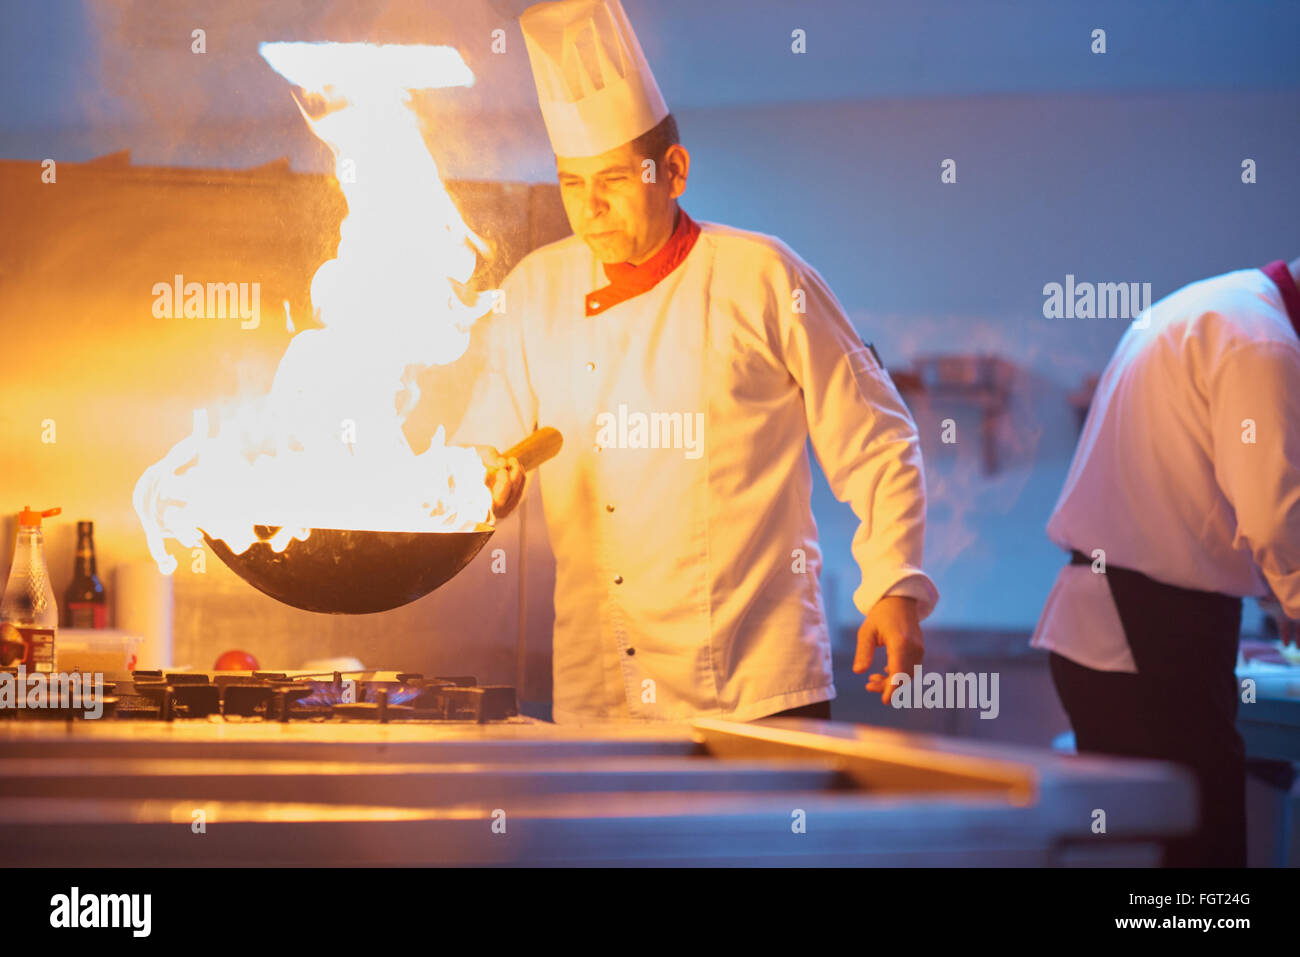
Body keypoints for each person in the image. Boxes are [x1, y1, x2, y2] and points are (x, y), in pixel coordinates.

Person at [456, 0, 937, 724]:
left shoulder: (766, 277)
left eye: (614, 180)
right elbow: (482, 448)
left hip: (755, 687)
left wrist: (893, 585)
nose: (590, 209)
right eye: (572, 182)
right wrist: (480, 483)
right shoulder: (534, 290)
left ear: (673, 170)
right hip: (596, 690)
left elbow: (877, 441)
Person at [1032, 256, 1300, 866]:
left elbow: (1208, 490)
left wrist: (1281, 593)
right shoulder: (1261, 340)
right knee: (1196, 867)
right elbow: (1276, 511)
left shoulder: (1215, 305)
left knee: (1160, 854)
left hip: (1118, 618)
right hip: (1147, 629)